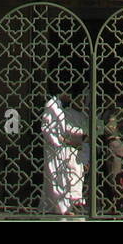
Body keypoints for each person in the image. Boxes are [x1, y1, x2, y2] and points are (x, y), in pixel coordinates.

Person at [40, 86, 87, 215]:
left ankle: (56, 207)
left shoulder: (59, 106)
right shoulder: (52, 105)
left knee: (59, 178)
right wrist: (60, 140)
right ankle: (61, 209)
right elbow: (48, 128)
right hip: (54, 147)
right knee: (55, 178)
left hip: (59, 147)